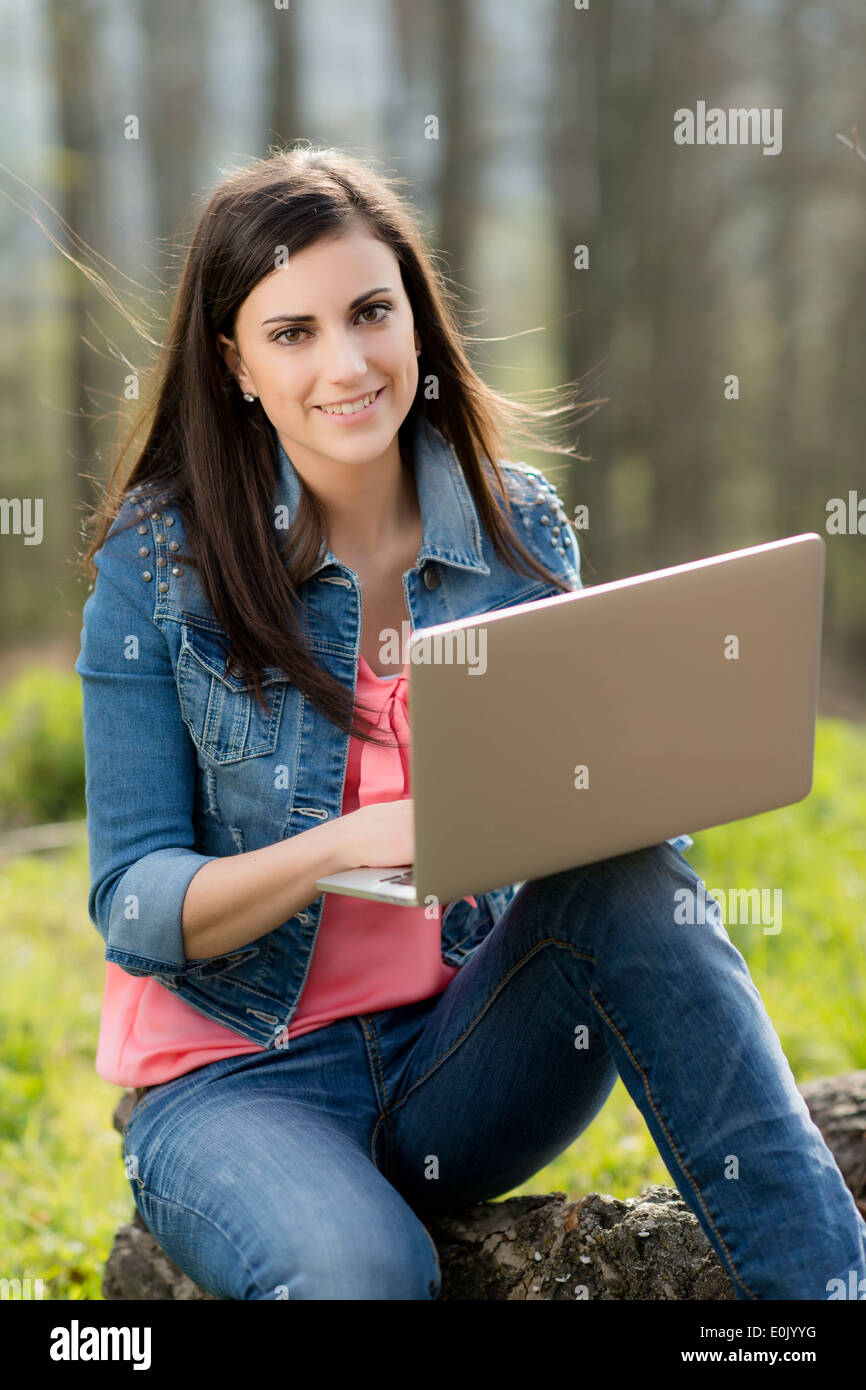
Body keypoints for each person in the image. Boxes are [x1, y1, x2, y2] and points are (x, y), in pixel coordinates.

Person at [75, 146, 866, 1301]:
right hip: (236, 1083)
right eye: (292, 332)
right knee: (365, 1274)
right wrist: (343, 844)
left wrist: (639, 784)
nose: (345, 364)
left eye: (369, 313)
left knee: (635, 876)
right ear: (233, 362)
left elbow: (597, 816)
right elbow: (133, 901)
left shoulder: (517, 528)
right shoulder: (160, 564)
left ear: (413, 317)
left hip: (459, 1054)